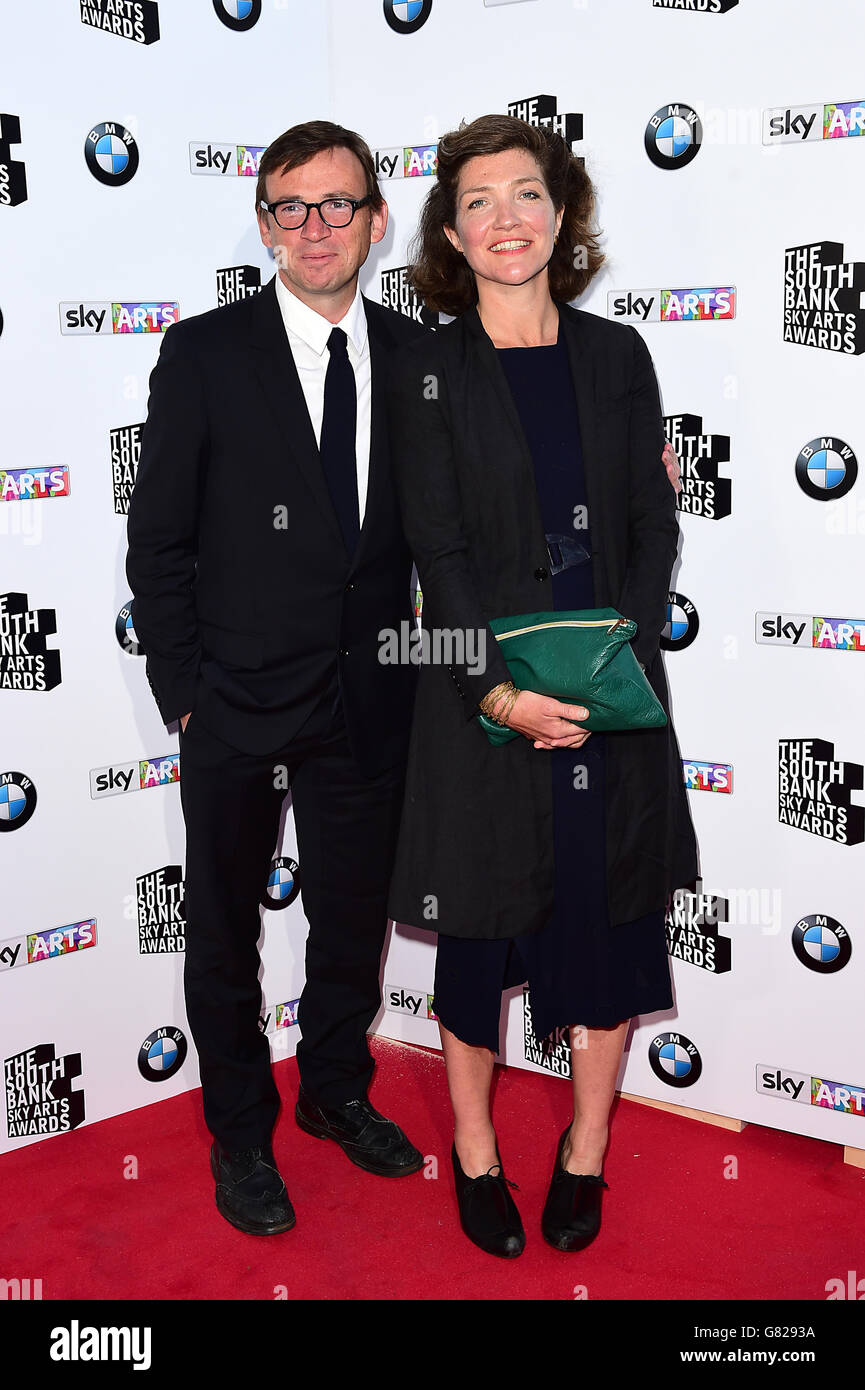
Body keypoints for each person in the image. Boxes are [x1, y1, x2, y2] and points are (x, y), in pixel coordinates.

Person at [386, 114, 699, 1258]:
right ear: (452, 232)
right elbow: (440, 547)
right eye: (478, 201)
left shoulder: (618, 356)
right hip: (482, 709)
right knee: (479, 943)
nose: (505, 218)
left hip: (610, 699)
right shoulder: (424, 368)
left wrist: (610, 656)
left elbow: (649, 519)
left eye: (526, 194)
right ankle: (474, 1151)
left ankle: (583, 1153)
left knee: (607, 930)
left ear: (560, 215)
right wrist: (500, 690)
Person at [125, 121, 431, 1237]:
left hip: (371, 697)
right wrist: (185, 690)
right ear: (262, 223)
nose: (314, 228)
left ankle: (336, 1091)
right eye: (291, 208)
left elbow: (446, 533)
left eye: (336, 205)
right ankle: (241, 1130)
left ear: (374, 219)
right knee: (223, 929)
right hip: (237, 701)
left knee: (352, 914)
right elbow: (157, 542)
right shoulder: (205, 353)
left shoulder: (414, 361)